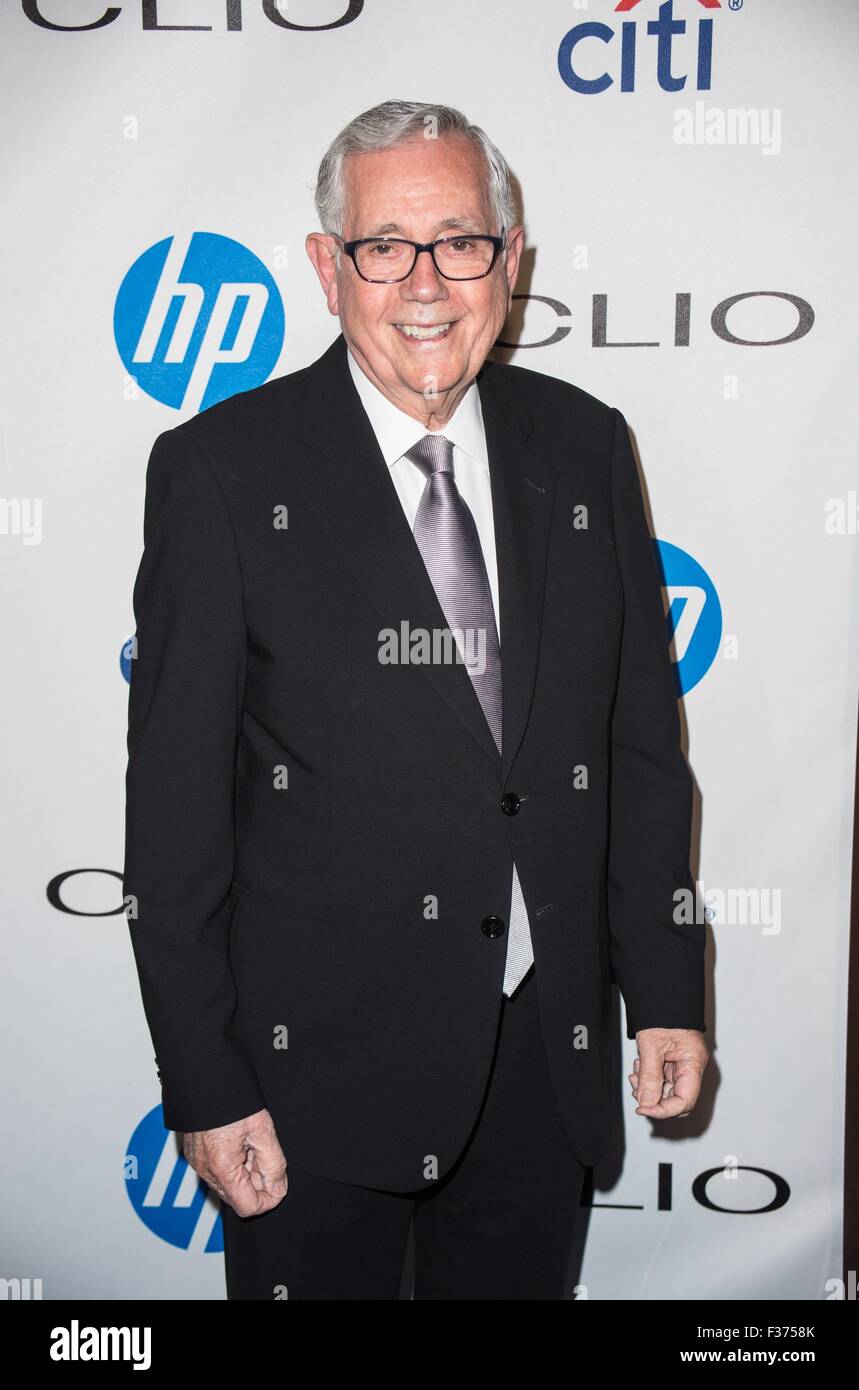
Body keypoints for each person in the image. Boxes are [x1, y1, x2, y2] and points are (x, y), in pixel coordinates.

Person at [123, 99, 709, 1300]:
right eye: (386, 246)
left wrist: (664, 992)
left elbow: (640, 746)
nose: (427, 283)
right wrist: (208, 1077)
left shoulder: (586, 446)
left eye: (461, 241)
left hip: (545, 1063)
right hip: (310, 1082)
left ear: (511, 254)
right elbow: (174, 817)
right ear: (327, 268)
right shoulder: (223, 471)